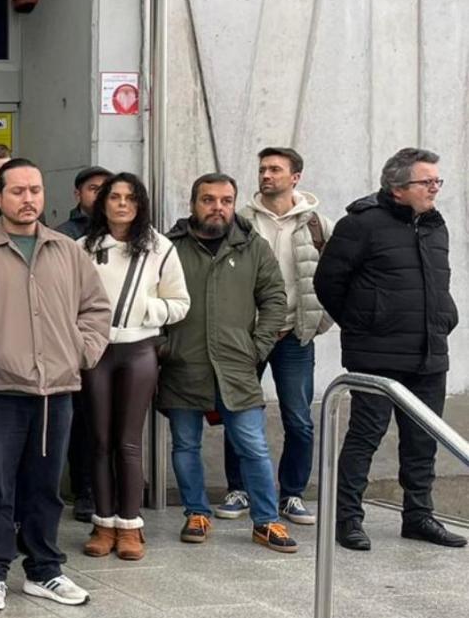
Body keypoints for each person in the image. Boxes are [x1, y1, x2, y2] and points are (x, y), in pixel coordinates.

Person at [0, 158, 109, 612]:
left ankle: (44, 569)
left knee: (45, 486)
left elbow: (96, 309)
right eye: (18, 191)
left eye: (35, 190)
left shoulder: (67, 249)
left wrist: (81, 352)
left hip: (55, 389)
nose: (28, 199)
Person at [316, 148, 465, 550]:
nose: (435, 188)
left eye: (438, 180)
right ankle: (346, 519)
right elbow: (328, 283)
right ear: (398, 189)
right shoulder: (360, 225)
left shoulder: (436, 225)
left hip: (429, 353)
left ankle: (419, 516)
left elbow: (438, 285)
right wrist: (366, 325)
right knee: (366, 435)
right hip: (377, 356)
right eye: (426, 181)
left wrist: (444, 319)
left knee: (423, 441)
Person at [156, 173, 295, 553]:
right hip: (183, 365)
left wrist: (258, 347)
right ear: (193, 203)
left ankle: (266, 521)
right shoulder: (169, 248)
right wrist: (163, 347)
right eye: (209, 199)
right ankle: (196, 512)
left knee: (253, 446)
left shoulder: (254, 247)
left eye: (226, 200)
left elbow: (274, 299)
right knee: (185, 445)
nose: (218, 207)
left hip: (237, 366)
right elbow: (148, 299)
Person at [216, 147, 333, 525]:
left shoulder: (317, 224)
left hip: (295, 335)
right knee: (240, 411)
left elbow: (336, 277)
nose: (266, 175)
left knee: (298, 418)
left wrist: (319, 320)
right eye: (263, 169)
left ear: (295, 176)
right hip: (247, 336)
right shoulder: (241, 221)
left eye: (275, 169)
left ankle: (292, 494)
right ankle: (238, 488)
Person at [77, 174, 189, 561]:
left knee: (128, 441)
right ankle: (103, 523)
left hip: (139, 349)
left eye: (130, 198)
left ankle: (130, 525)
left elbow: (180, 302)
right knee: (98, 440)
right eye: (114, 197)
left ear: (140, 204)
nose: (121, 204)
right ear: (102, 203)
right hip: (97, 352)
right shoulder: (83, 248)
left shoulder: (160, 247)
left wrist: (146, 309)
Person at [58, 166, 113, 522]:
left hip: (122, 343)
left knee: (110, 423)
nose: (102, 195)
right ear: (78, 194)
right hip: (77, 341)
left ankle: (113, 489)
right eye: (94, 188)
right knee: (81, 423)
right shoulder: (64, 237)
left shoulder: (130, 234)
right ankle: (85, 492)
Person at [55, 166, 111, 240]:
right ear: (78, 195)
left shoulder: (120, 229)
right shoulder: (62, 235)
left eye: (105, 189)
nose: (100, 194)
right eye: (93, 188)